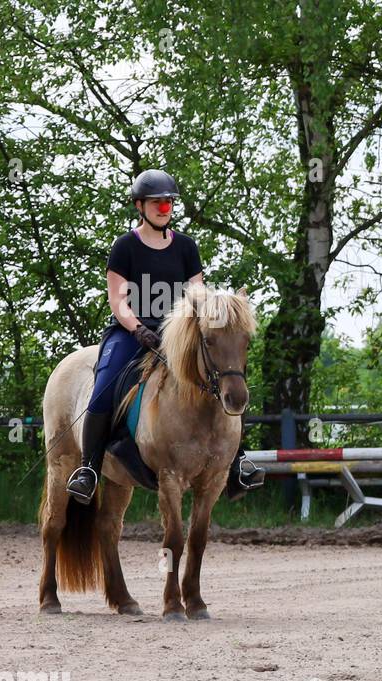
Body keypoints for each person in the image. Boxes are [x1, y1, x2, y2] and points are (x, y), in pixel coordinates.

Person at [66, 169, 265, 503]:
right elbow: (118, 299)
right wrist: (138, 328)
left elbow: (196, 294)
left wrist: (200, 322)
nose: (164, 208)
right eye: (157, 202)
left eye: (168, 202)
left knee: (226, 376)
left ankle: (237, 462)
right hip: (132, 333)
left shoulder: (186, 247)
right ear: (140, 206)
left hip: (179, 335)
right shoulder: (125, 247)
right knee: (103, 386)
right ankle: (89, 468)